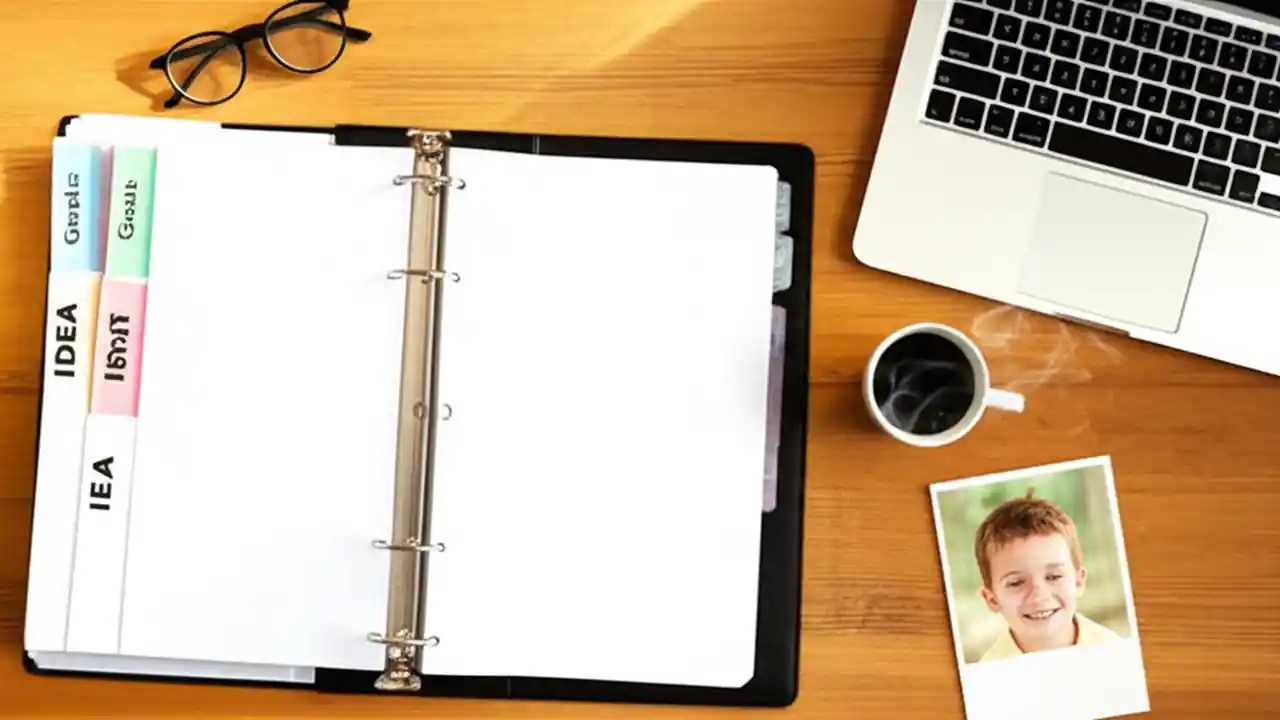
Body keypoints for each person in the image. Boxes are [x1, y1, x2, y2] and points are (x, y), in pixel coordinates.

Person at [974, 491, 1120, 661]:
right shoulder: (987, 671)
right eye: (1016, 582)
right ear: (992, 599)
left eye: (1054, 577)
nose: (1039, 595)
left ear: (1079, 581)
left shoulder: (1116, 652)